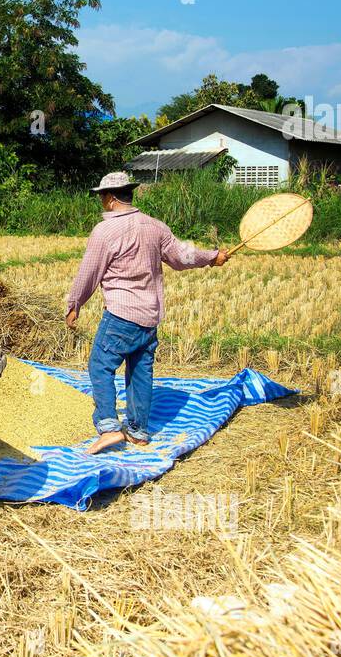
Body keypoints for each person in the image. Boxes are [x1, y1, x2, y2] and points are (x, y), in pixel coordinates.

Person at [64, 171, 229, 454]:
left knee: (99, 366)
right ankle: (139, 432)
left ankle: (108, 427)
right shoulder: (155, 226)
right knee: (140, 371)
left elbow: (89, 272)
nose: (101, 201)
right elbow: (183, 256)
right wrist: (212, 256)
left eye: (102, 196)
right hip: (150, 315)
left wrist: (74, 303)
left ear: (111, 198)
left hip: (121, 315)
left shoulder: (105, 231)